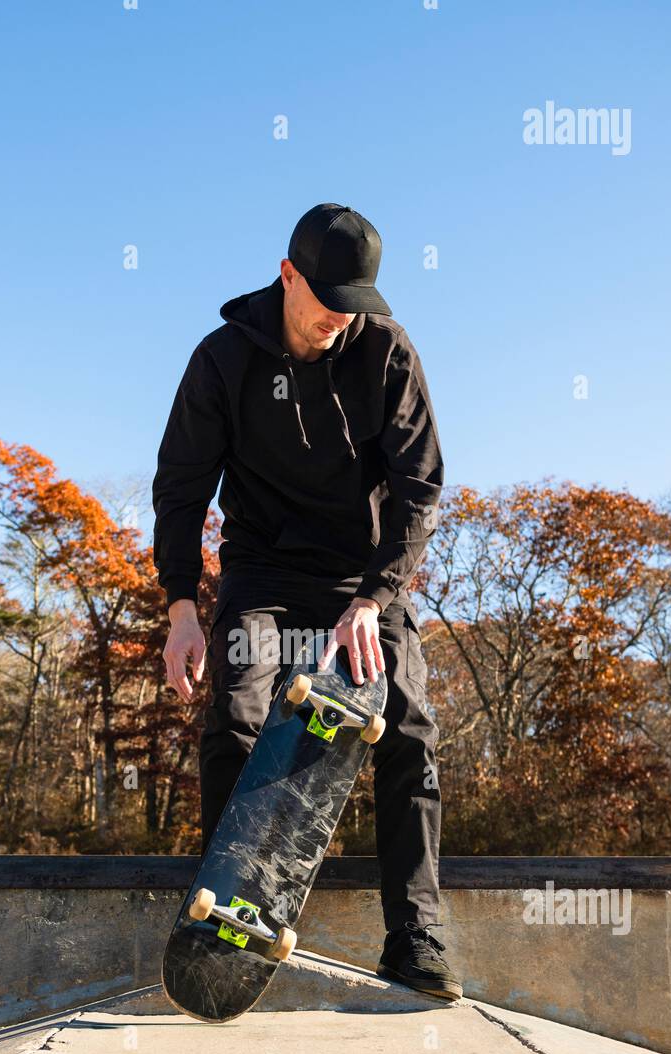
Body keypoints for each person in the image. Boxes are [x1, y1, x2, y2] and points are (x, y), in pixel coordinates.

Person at [152, 203, 462, 1000]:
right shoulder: (222, 360)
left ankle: (415, 937)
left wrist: (374, 597)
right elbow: (183, 488)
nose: (337, 321)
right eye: (325, 302)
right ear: (287, 274)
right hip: (261, 570)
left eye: (352, 306)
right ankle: (225, 916)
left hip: (360, 580)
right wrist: (183, 605)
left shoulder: (385, 351)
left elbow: (419, 485)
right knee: (239, 715)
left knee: (408, 727)